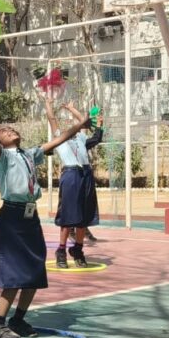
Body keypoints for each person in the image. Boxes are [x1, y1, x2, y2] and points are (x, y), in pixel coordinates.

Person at [0, 96, 92, 338]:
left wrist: (80, 124)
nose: (9, 130)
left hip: (30, 217)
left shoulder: (30, 154)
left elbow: (60, 138)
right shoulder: (2, 156)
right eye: (3, 130)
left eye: (11, 128)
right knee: (14, 273)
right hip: (11, 217)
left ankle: (18, 319)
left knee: (34, 271)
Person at [49, 101, 105, 268]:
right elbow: (52, 120)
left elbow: (85, 123)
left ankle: (78, 249)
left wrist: (72, 108)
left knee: (83, 217)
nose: (71, 126)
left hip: (86, 175)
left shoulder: (80, 138)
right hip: (71, 175)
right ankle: (61, 250)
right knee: (68, 217)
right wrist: (48, 104)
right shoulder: (60, 140)